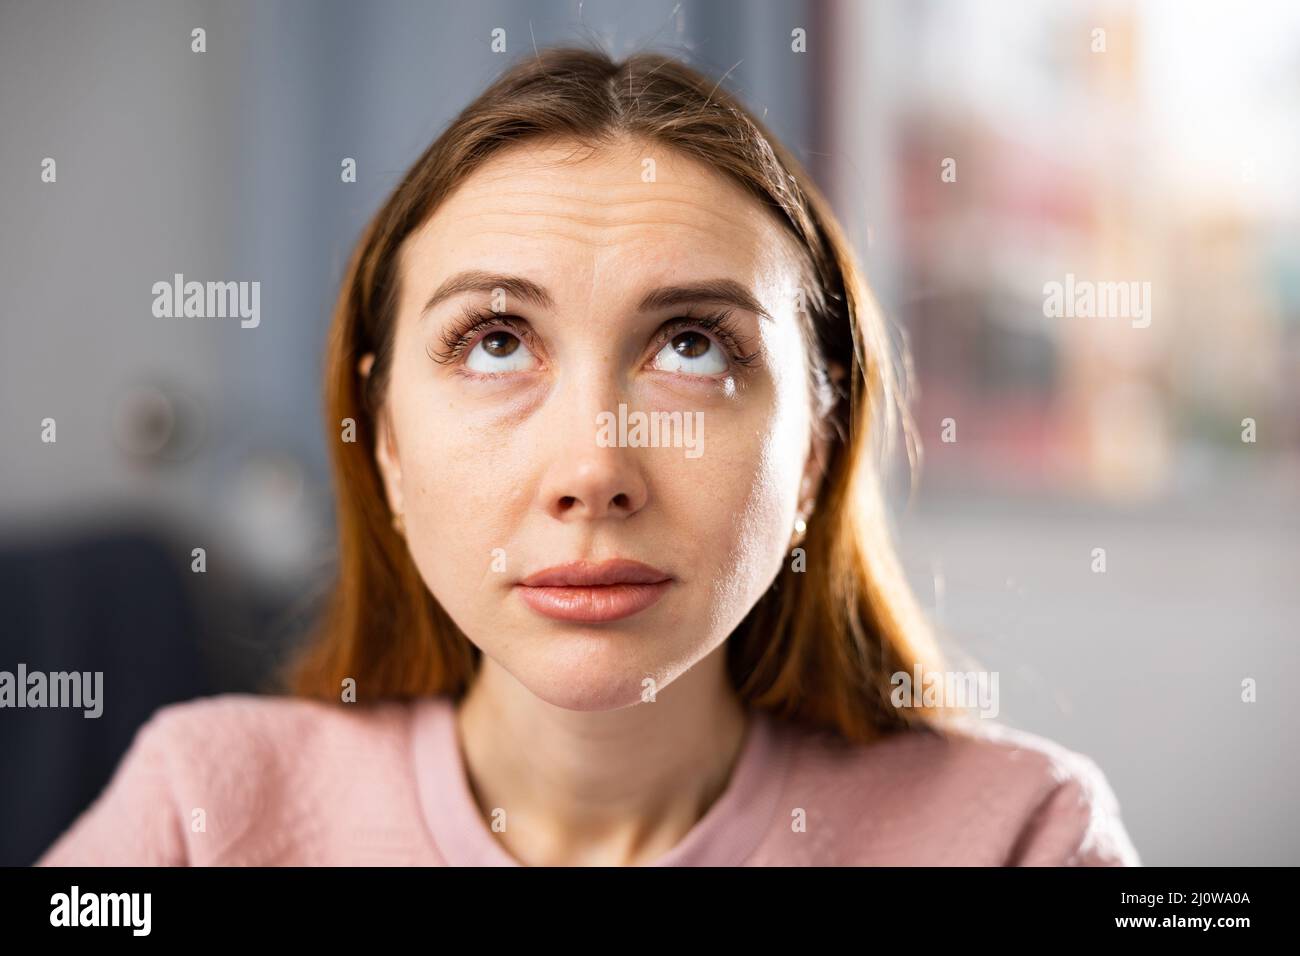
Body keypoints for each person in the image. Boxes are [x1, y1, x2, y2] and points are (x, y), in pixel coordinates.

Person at [37, 47, 1139, 867]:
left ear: (814, 448)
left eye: (693, 345)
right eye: (495, 342)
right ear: (387, 446)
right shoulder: (202, 809)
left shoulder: (1021, 836)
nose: (594, 469)